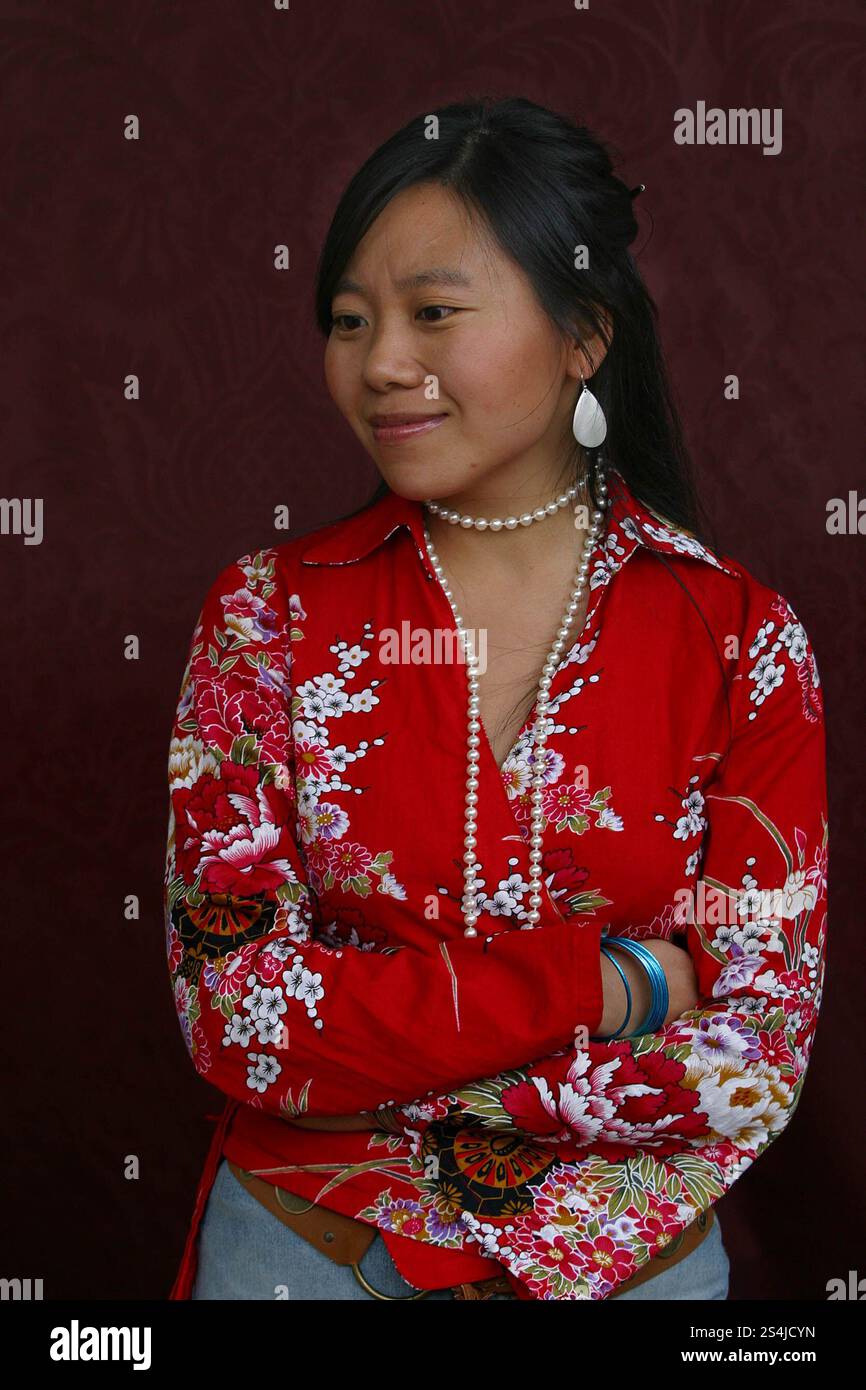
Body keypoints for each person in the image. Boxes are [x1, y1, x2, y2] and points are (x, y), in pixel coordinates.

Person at [163, 97, 828, 1301]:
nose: (376, 364)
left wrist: (377, 1059)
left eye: (432, 313)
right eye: (348, 321)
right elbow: (241, 1017)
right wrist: (609, 985)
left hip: (631, 1275)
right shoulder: (264, 617)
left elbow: (749, 1056)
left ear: (582, 334)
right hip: (303, 1259)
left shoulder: (740, 643)